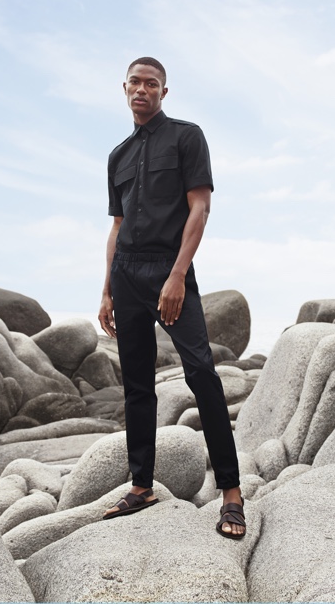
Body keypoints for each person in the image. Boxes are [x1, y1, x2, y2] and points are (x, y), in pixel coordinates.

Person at [98, 57, 246, 539]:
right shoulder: (117, 156)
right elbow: (116, 227)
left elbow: (199, 207)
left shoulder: (186, 136)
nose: (142, 90)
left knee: (202, 372)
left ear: (164, 91)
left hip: (168, 269)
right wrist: (106, 289)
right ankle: (142, 486)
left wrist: (178, 275)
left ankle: (231, 494)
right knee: (137, 385)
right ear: (124, 89)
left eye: (151, 84)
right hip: (126, 274)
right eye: (135, 83)